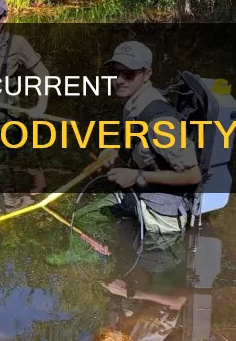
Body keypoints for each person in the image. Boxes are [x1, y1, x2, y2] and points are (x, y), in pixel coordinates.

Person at [46, 40, 201, 266]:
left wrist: (138, 177)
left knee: (143, 269)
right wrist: (115, 150)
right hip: (141, 193)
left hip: (163, 215)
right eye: (115, 72)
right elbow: (137, 141)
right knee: (83, 218)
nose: (119, 80)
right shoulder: (135, 103)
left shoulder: (161, 121)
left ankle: (113, 259)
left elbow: (193, 175)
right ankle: (97, 254)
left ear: (146, 74)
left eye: (128, 74)